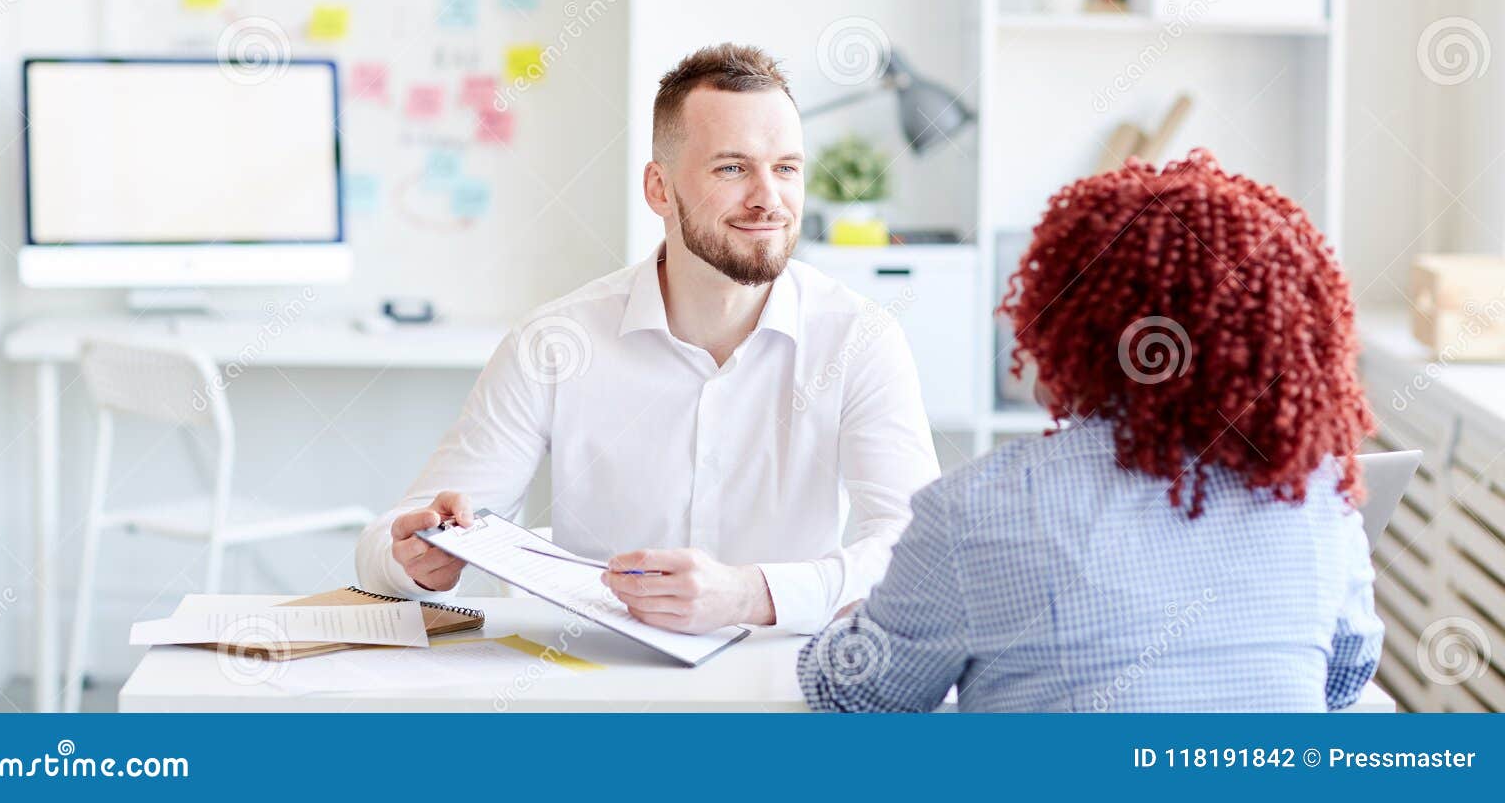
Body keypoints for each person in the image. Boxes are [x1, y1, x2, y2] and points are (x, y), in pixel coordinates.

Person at [355, 43, 940, 634]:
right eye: (732, 168)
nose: (769, 198)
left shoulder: (859, 339)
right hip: (595, 686)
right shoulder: (555, 342)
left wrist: (750, 595)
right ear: (660, 189)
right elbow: (399, 534)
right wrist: (416, 557)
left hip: (782, 688)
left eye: (786, 167)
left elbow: (917, 551)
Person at [798, 150, 1383, 710]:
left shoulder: (976, 510)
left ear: (1062, 320)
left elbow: (863, 698)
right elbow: (1344, 678)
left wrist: (846, 624)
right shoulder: (1316, 497)